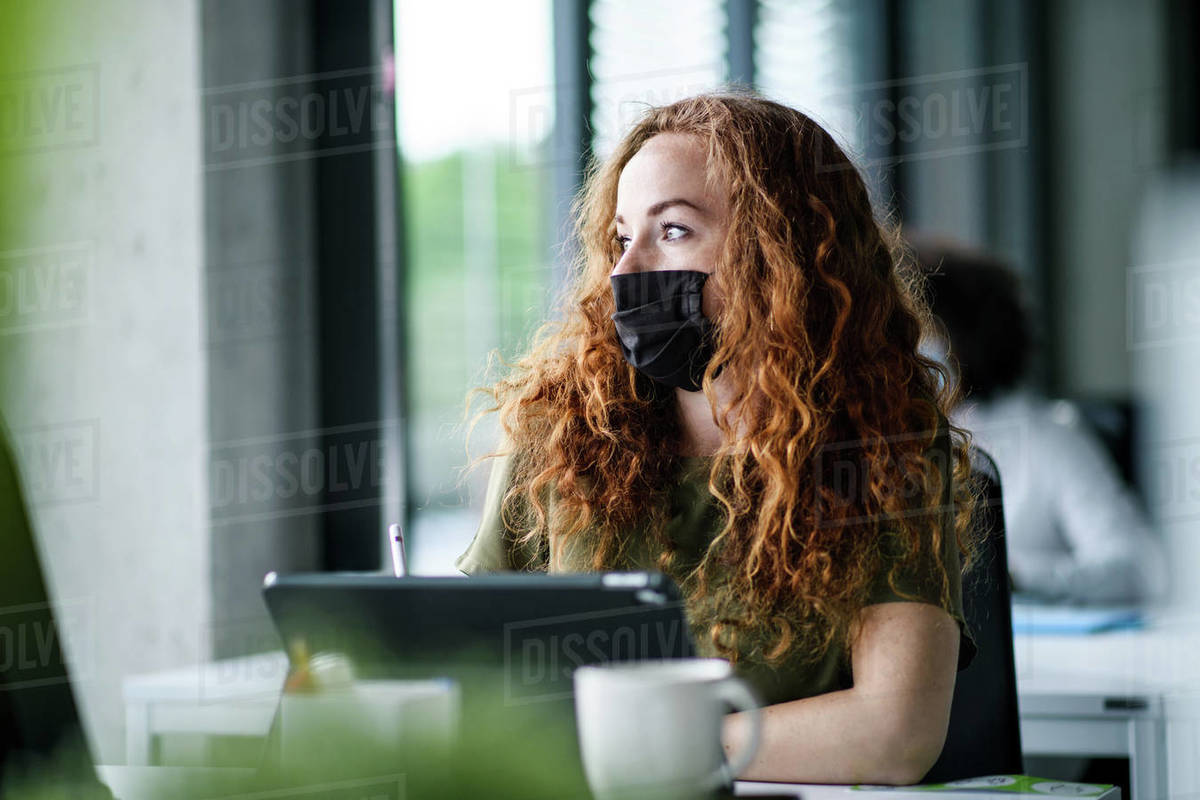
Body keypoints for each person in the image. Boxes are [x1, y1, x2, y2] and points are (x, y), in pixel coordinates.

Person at [455, 91, 980, 785]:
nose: (623, 272)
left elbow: (895, 733)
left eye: (671, 231)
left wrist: (641, 746)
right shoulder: (558, 427)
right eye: (619, 238)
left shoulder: (885, 448)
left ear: (783, 251)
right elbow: (460, 667)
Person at [913, 235, 1168, 605]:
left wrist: (1013, 579)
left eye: (920, 332)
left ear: (959, 338)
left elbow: (1137, 567)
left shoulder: (1047, 437)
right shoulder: (892, 440)